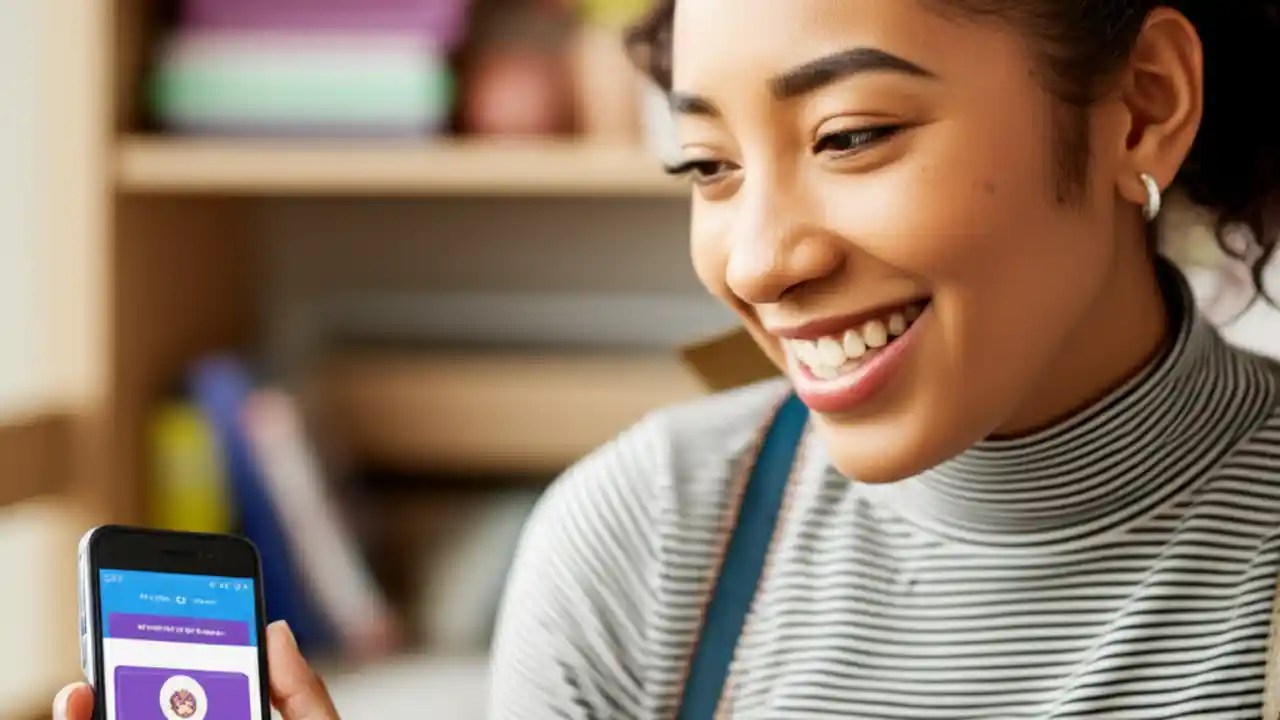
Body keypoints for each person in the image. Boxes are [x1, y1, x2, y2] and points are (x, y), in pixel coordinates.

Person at [56, 0, 1280, 718]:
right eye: (707, 167)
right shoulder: (641, 545)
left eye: (848, 136)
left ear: (1140, 105)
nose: (757, 261)